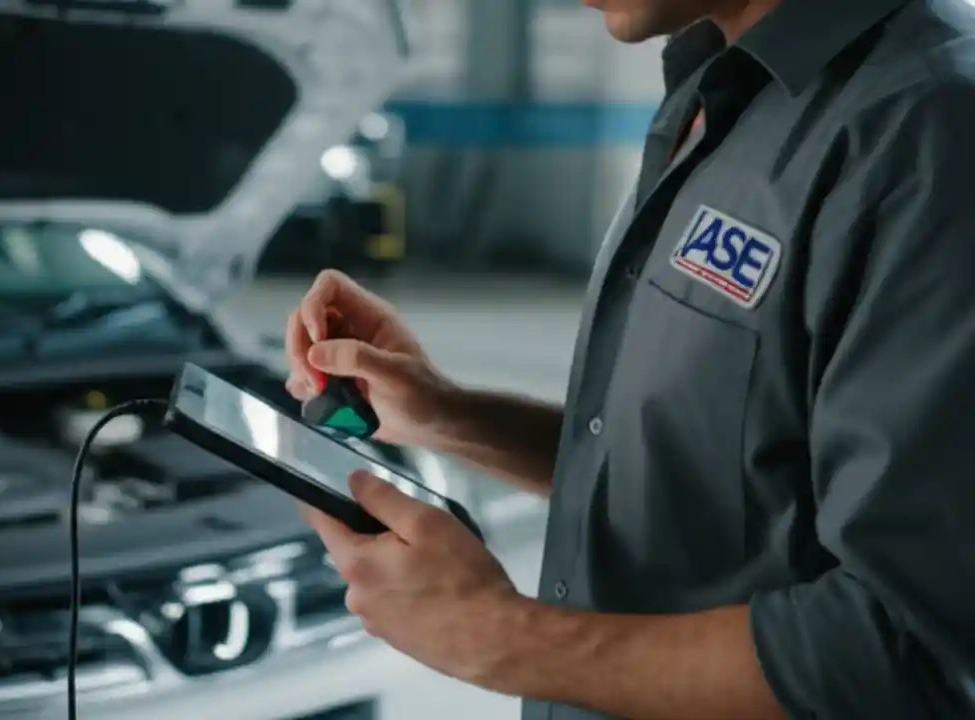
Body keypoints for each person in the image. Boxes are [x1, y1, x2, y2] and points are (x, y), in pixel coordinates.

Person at [282, 0, 975, 718]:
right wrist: (445, 413)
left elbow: (913, 652)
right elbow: (719, 476)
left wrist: (494, 635)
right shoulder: (721, 86)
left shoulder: (929, 130)